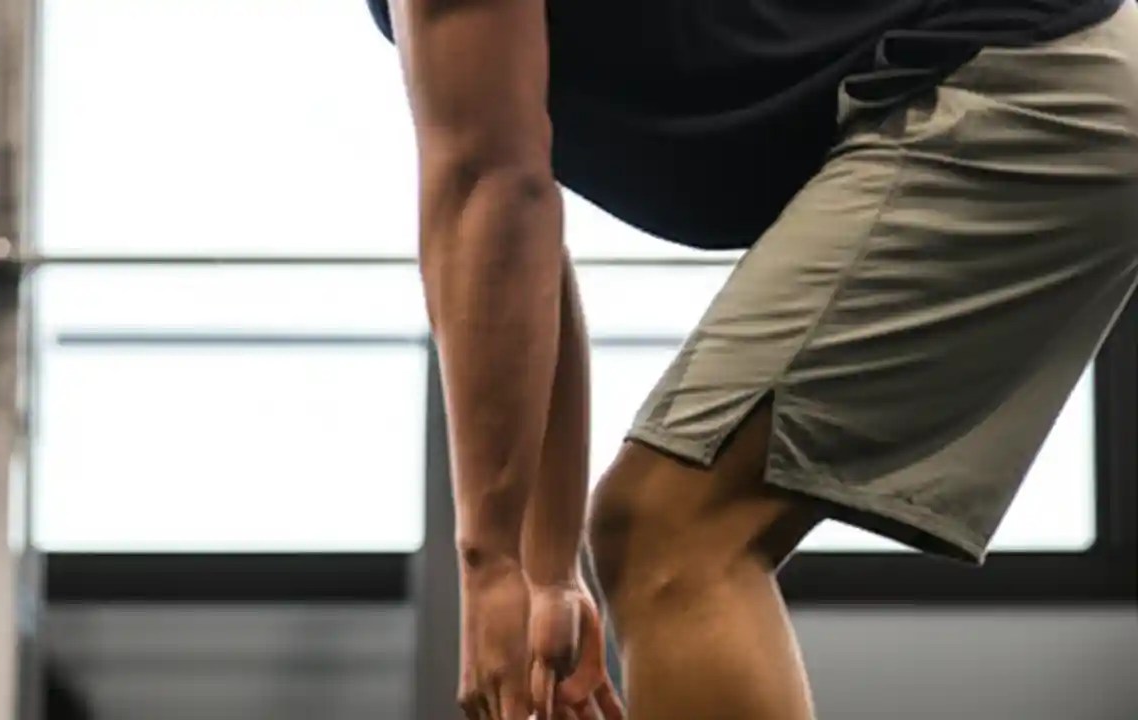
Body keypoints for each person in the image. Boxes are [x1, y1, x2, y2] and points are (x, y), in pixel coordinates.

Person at [365, 0, 1138, 717]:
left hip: (1018, 74)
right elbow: (512, 246)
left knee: (674, 538)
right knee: (661, 534)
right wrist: (542, 572)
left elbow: (491, 190)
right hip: (1021, 73)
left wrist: (489, 563)